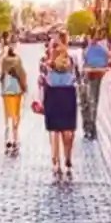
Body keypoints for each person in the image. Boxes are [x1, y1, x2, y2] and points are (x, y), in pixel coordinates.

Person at [42, 42, 78, 180]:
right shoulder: (71, 64)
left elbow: (42, 82)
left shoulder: (47, 66)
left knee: (54, 131)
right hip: (68, 96)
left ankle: (55, 161)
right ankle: (68, 157)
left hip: (53, 96)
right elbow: (77, 79)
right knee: (68, 130)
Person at [80, 31, 111, 140]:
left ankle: (90, 127)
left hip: (90, 77)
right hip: (94, 77)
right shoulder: (100, 50)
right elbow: (107, 60)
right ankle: (90, 127)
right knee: (92, 102)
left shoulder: (89, 50)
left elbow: (84, 64)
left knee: (88, 103)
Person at [0, 45, 27, 152]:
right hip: (17, 90)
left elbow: (1, 76)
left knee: (8, 114)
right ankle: (15, 138)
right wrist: (24, 86)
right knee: (16, 114)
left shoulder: (4, 61)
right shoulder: (18, 60)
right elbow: (22, 74)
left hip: (6, 90)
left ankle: (8, 138)